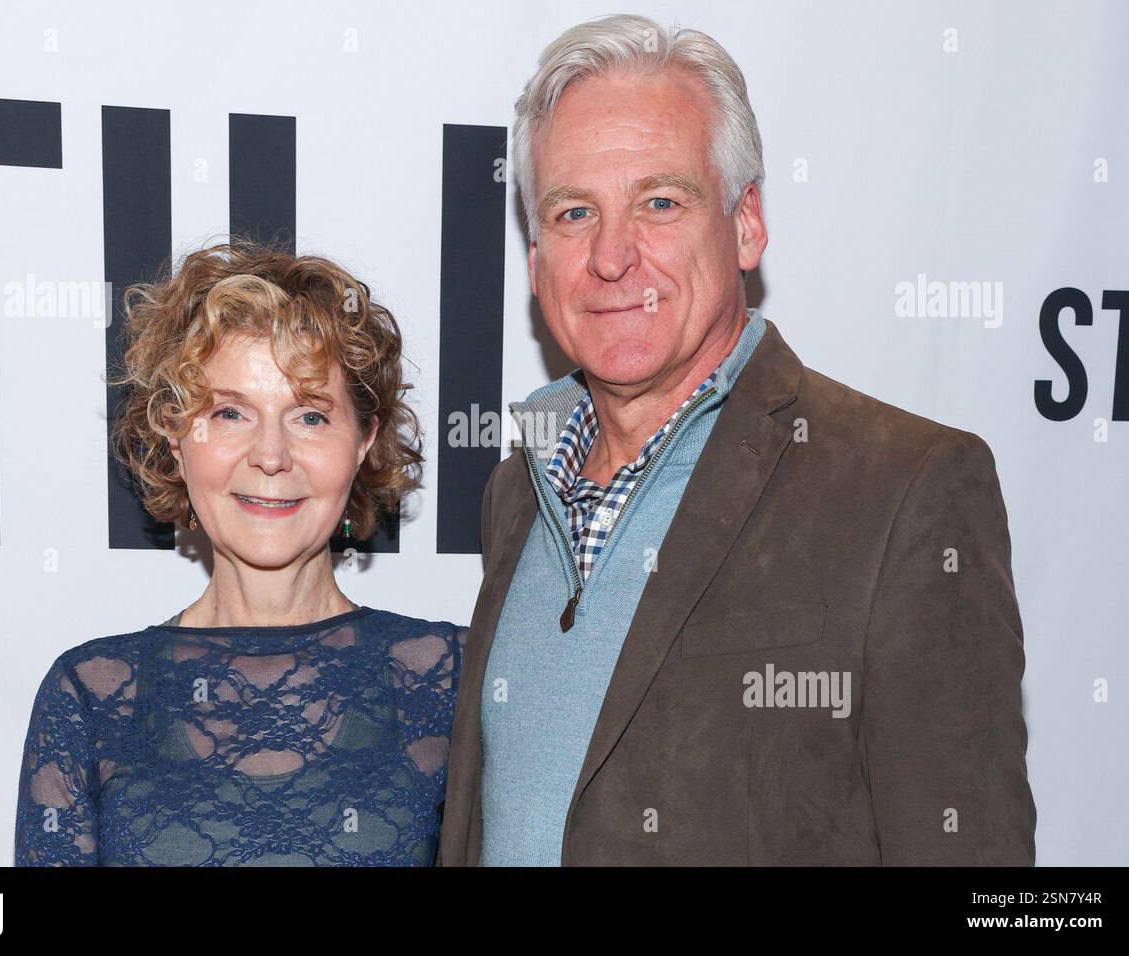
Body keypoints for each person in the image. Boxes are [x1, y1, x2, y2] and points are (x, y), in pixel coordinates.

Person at [438, 14, 1035, 865]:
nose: (613, 257)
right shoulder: (517, 491)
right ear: (536, 263)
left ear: (747, 223)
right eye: (574, 213)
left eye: (660, 201)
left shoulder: (906, 489)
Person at [15, 237, 466, 865]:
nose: (272, 456)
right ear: (176, 436)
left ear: (363, 442)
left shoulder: (450, 679)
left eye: (310, 416)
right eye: (230, 413)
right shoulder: (92, 698)